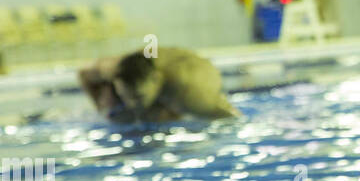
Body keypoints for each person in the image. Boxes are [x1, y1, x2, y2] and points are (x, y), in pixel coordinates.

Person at [78, 47, 239, 123]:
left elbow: (232, 118)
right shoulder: (112, 70)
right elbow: (83, 73)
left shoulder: (191, 93)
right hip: (144, 67)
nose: (130, 103)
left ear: (156, 80)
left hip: (189, 76)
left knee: (161, 118)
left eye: (137, 97)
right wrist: (100, 108)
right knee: (114, 108)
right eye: (124, 96)